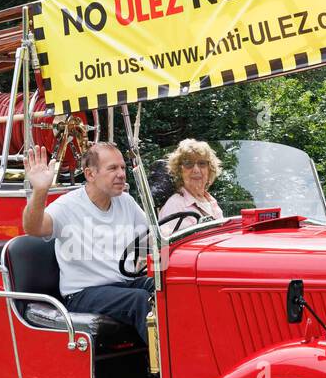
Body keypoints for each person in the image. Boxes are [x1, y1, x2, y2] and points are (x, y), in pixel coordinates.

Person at [22, 142, 156, 342]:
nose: (121, 174)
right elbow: (33, 228)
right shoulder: (68, 206)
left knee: (166, 287)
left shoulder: (125, 201)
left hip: (122, 285)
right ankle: (172, 368)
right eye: (112, 168)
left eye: (122, 167)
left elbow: (152, 237)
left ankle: (195, 356)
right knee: (140, 300)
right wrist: (40, 190)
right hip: (82, 294)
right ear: (90, 174)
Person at [159, 139, 223, 234]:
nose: (196, 170)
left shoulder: (211, 201)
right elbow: (174, 247)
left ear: (210, 169)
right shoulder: (175, 205)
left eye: (202, 164)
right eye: (188, 164)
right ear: (180, 171)